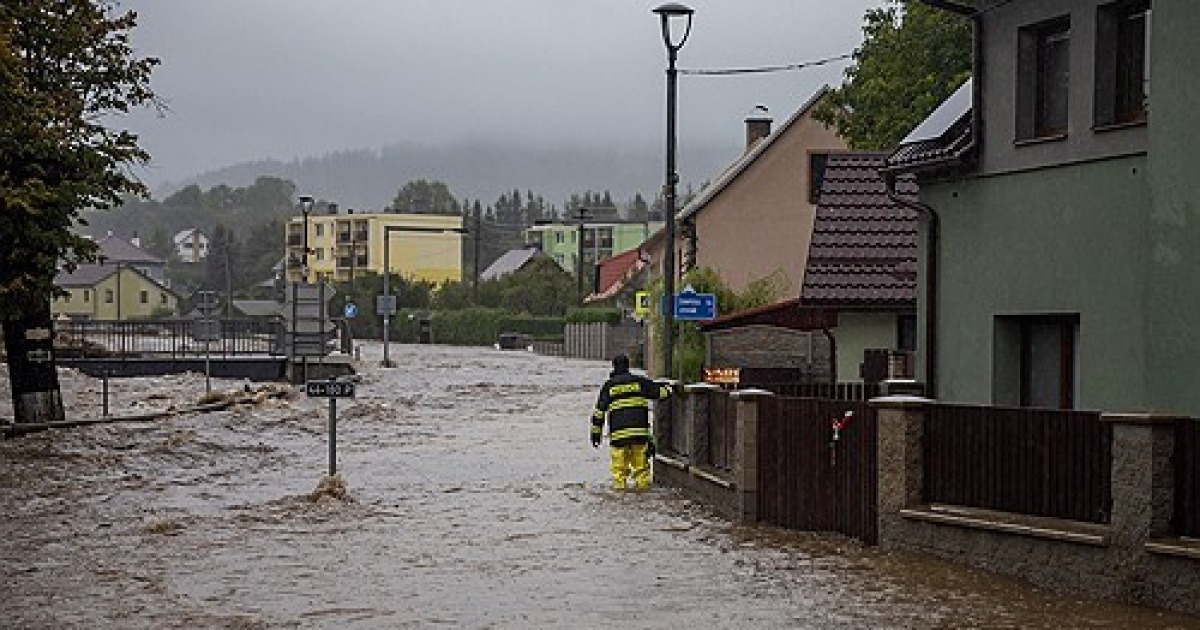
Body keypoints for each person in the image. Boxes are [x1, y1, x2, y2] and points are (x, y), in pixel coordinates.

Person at [590, 354, 673, 491]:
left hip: (618, 437)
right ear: (628, 366)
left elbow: (599, 412)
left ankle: (620, 498)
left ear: (614, 367)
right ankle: (642, 495)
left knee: (619, 473)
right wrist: (671, 388)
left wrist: (595, 435)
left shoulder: (608, 386)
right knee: (641, 470)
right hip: (639, 435)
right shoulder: (639, 382)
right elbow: (660, 393)